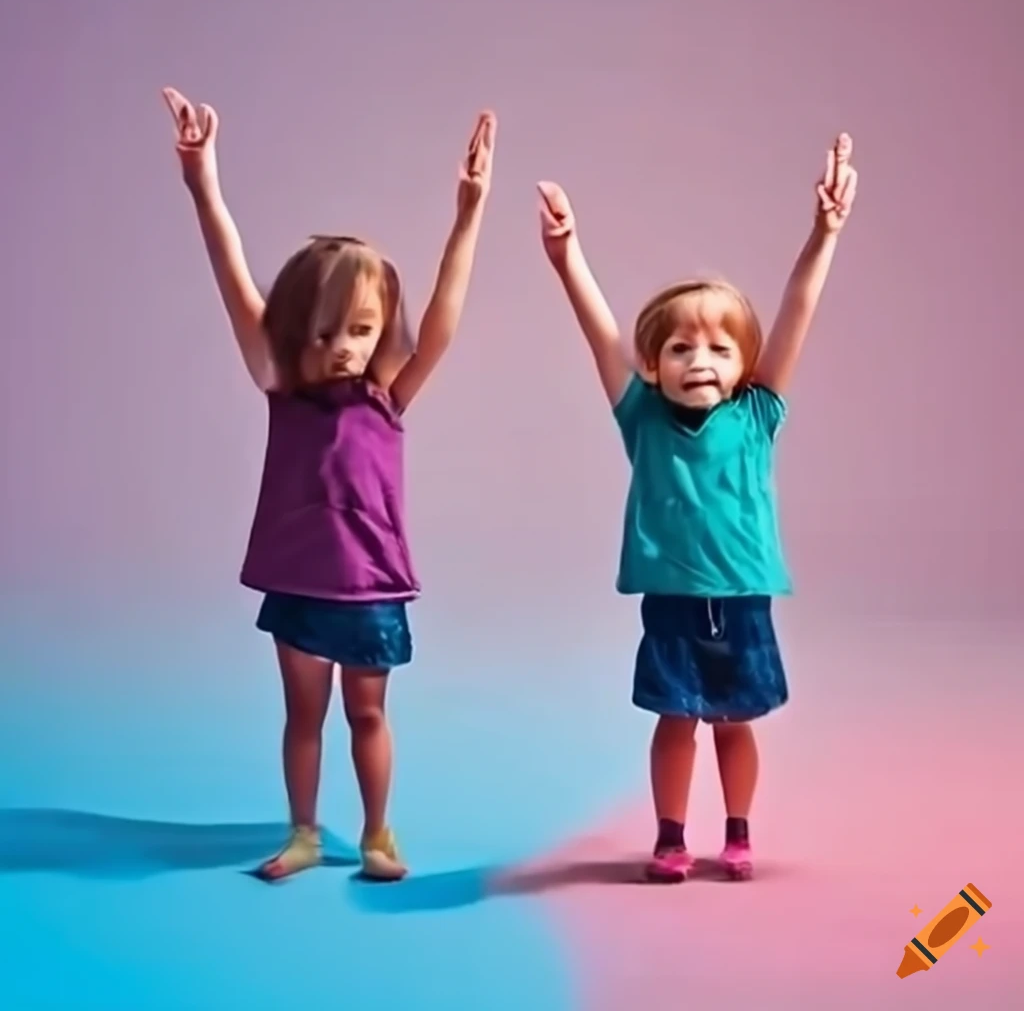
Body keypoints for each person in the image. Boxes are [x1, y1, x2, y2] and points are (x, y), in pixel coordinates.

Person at [162, 86, 496, 881]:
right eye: (326, 332)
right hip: (302, 584)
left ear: (383, 331)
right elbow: (234, 280)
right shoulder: (280, 385)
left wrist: (469, 210)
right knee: (303, 714)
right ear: (294, 333)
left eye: (363, 329)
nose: (346, 347)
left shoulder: (389, 397)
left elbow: (444, 315)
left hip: (371, 586)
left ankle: (379, 835)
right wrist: (202, 182)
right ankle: (306, 832)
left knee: (368, 710)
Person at [536, 134, 857, 882]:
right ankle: (671, 836)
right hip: (673, 603)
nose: (699, 360)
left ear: (745, 366)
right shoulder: (640, 414)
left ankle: (737, 833)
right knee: (674, 719)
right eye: (680, 348)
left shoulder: (757, 415)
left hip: (742, 598)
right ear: (654, 365)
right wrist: (567, 255)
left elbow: (798, 305)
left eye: (718, 348)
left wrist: (824, 233)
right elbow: (600, 333)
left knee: (735, 722)